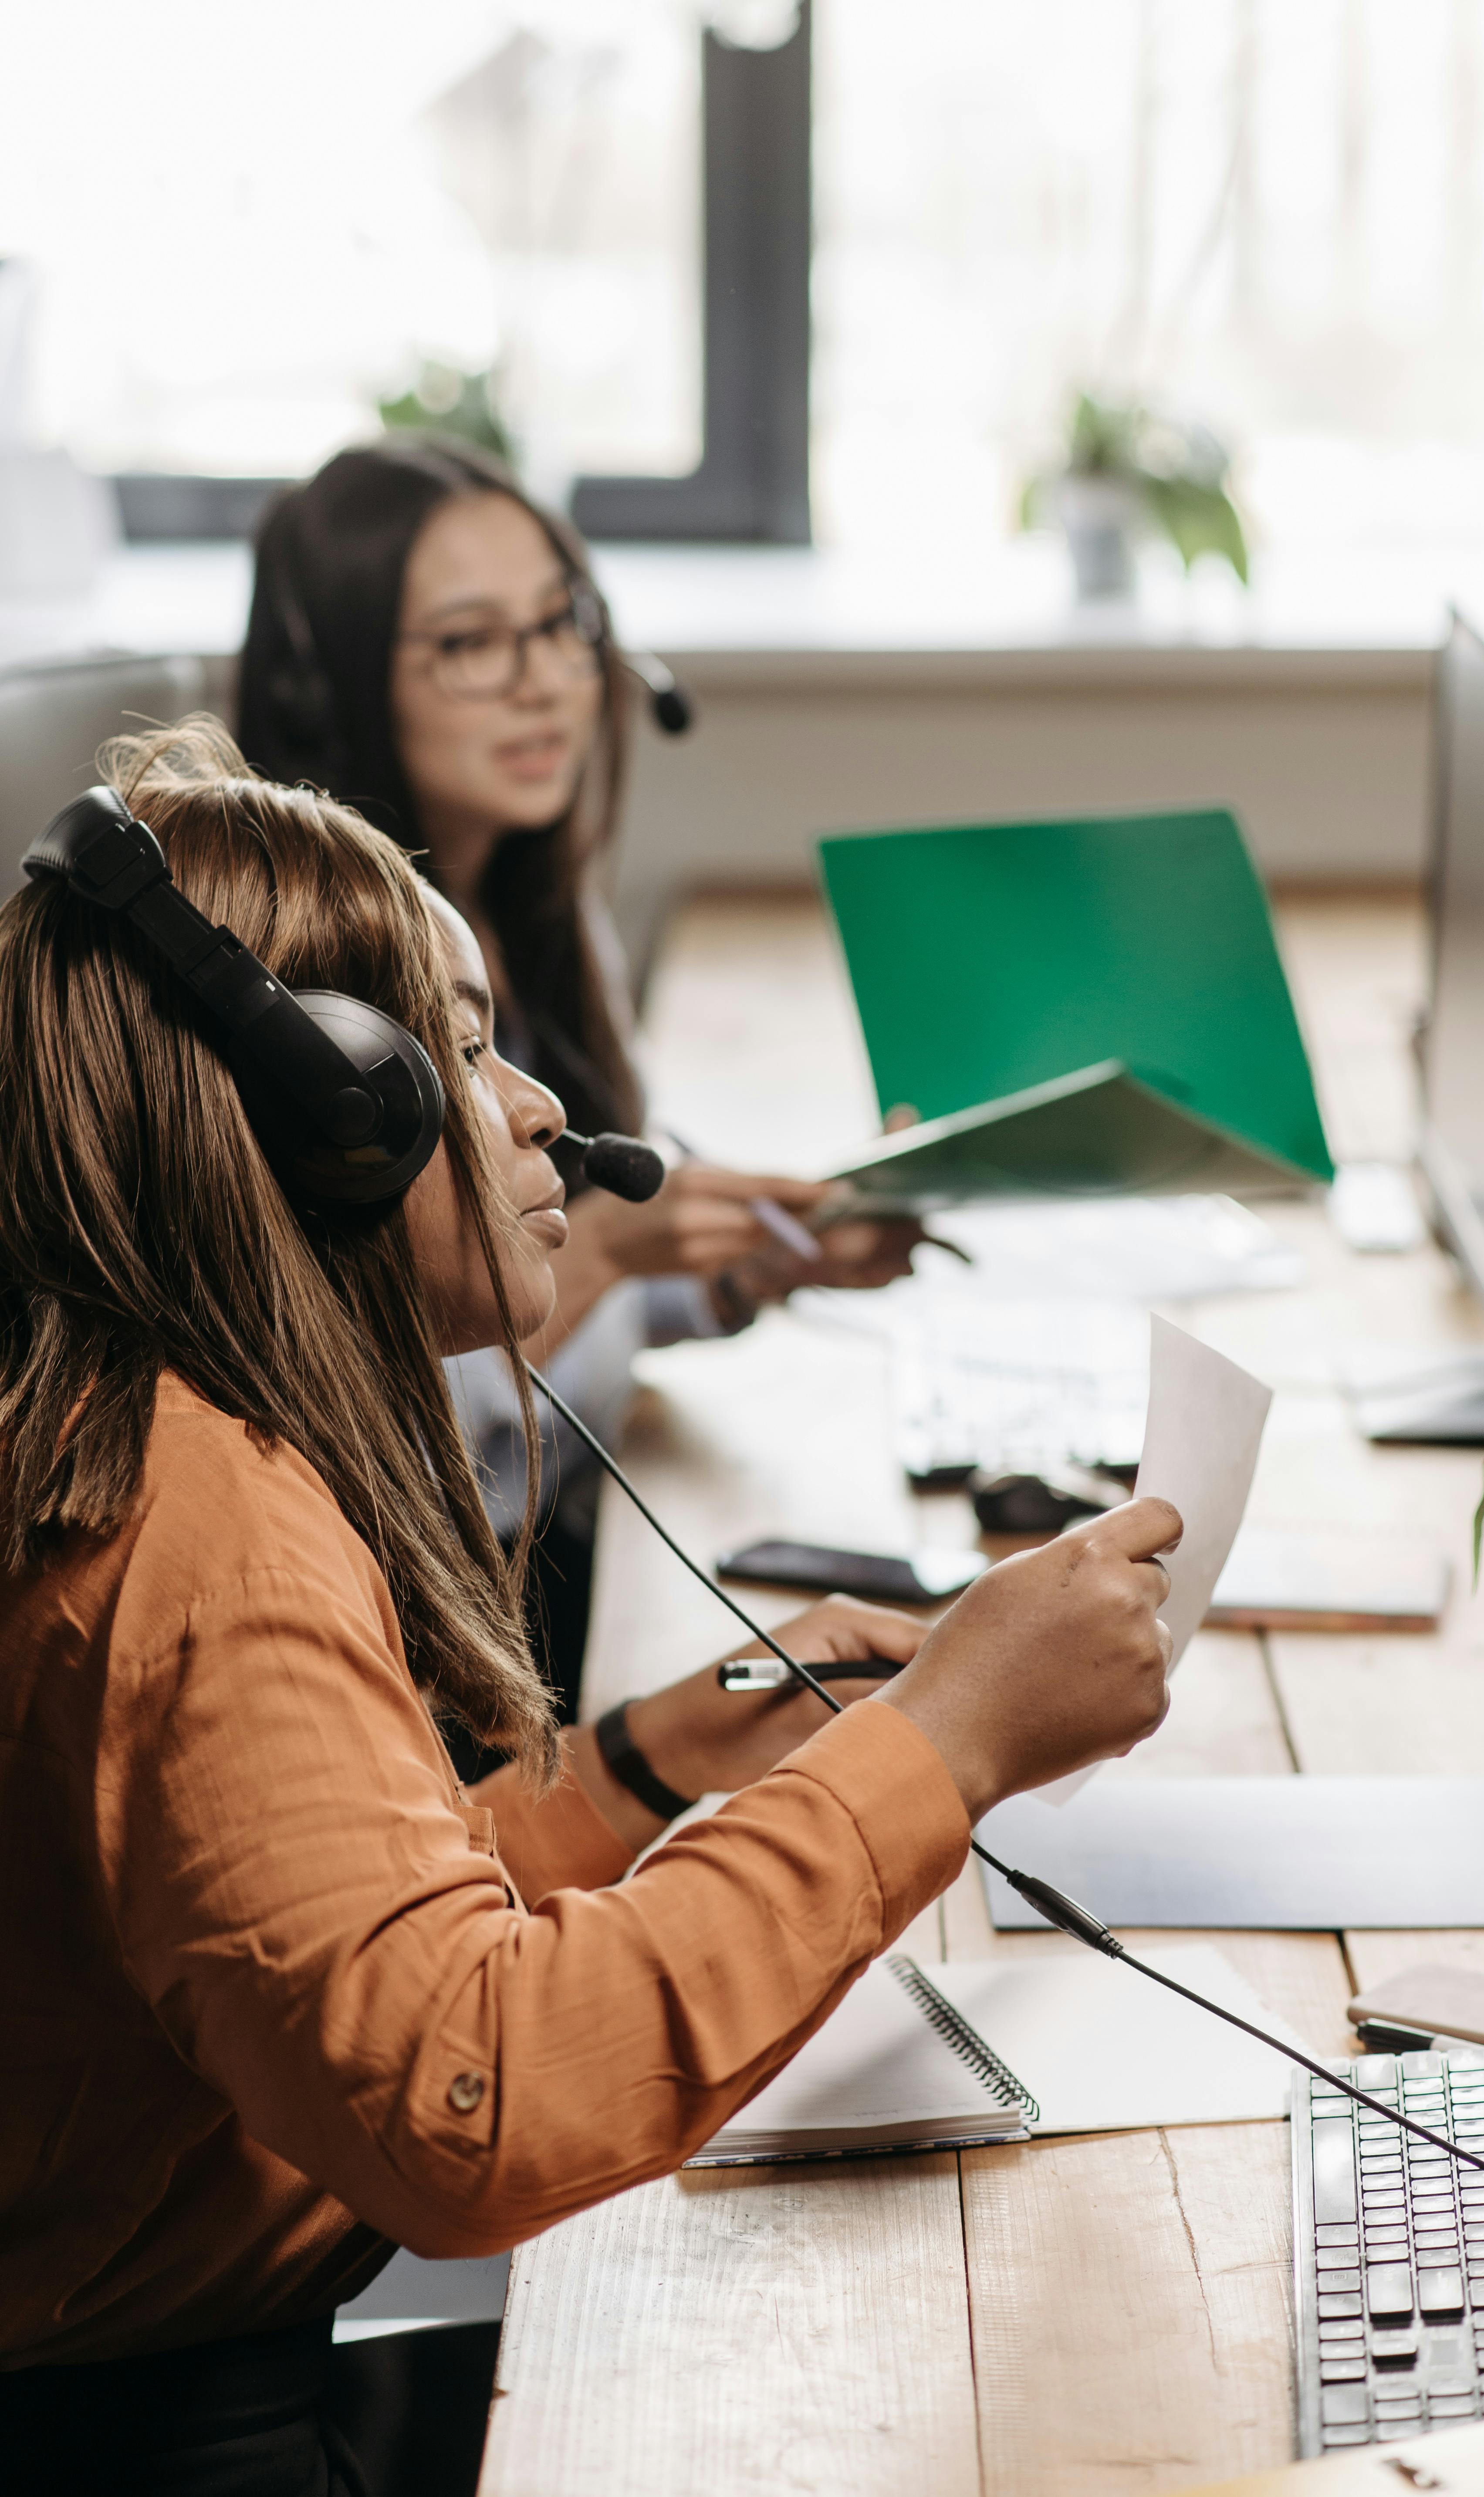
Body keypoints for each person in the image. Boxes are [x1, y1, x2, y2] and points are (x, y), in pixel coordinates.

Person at [0, 723, 1179, 2492]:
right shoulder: (204, 1536)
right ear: (334, 1117)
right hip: (151, 2425)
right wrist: (947, 1743)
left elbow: (287, 1932)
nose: (544, 1107)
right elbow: (465, 2100)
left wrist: (641, 1762)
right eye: (463, 1053)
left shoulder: (154, 1421)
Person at [238, 439, 923, 1732]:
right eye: (470, 642)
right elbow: (345, 1447)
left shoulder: (534, 915)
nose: (544, 682)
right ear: (322, 678)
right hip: (422, 1658)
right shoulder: (306, 1011)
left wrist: (755, 1256)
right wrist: (604, 1261)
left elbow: (590, 1215)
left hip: (543, 1575)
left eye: (561, 627)